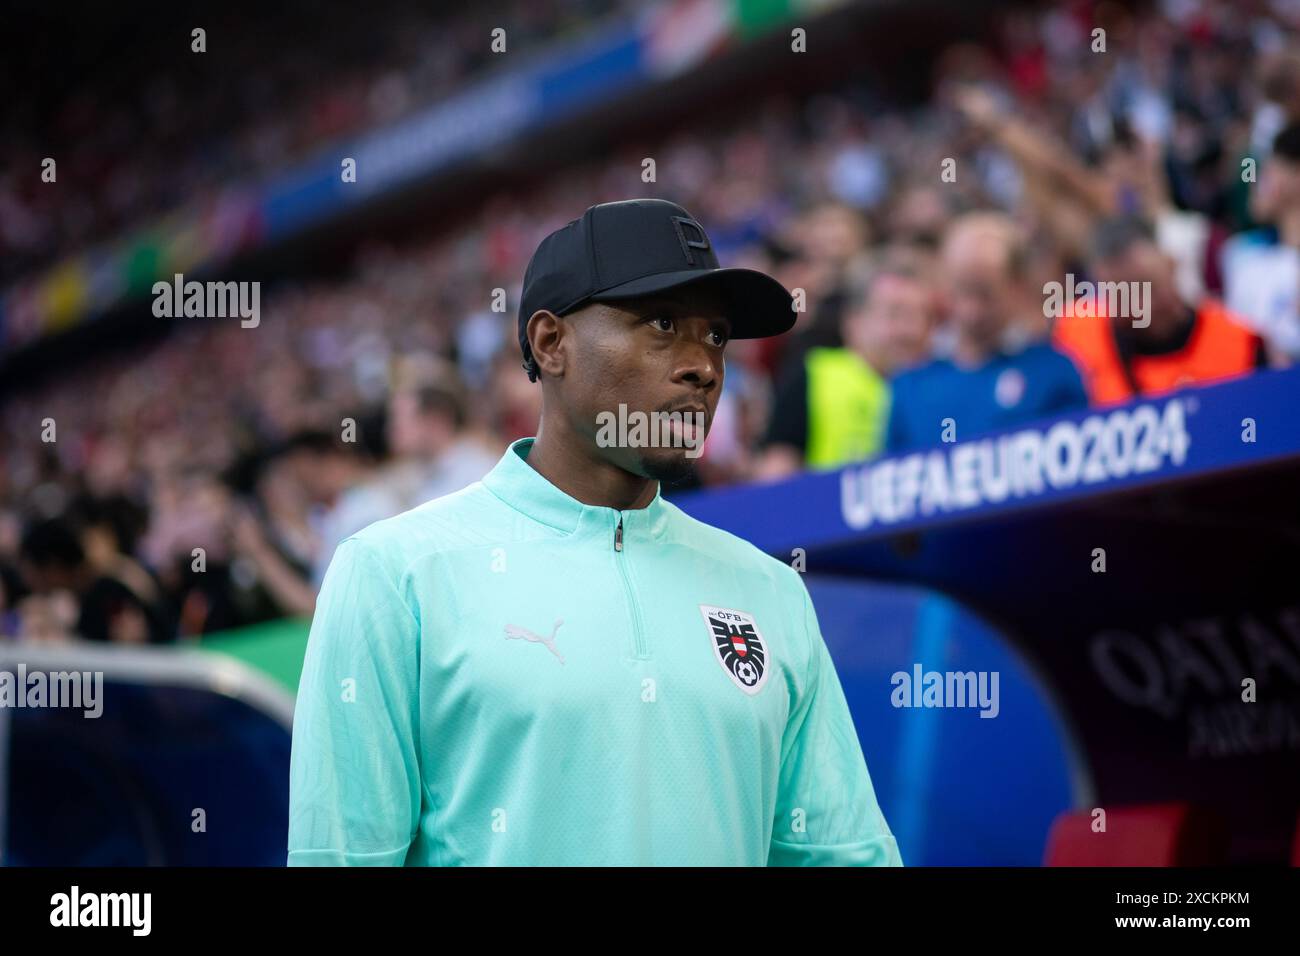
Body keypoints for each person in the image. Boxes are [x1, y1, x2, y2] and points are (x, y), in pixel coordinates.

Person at [288, 198, 902, 866]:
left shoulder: (771, 590)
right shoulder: (392, 572)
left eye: (716, 335)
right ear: (552, 343)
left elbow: (844, 856)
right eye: (663, 324)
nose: (704, 365)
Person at [884, 213, 1089, 452]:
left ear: (1017, 286)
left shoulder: (1053, 371)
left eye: (985, 294)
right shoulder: (911, 387)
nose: (972, 311)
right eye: (962, 290)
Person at [757, 246, 935, 478]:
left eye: (920, 316)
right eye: (894, 314)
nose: (909, 330)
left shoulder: (942, 384)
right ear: (854, 321)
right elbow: (775, 475)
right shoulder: (815, 375)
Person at [1056, 216, 1266, 405]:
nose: (1140, 305)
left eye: (1146, 285)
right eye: (1122, 294)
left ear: (1171, 264)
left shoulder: (1237, 339)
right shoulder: (1078, 337)